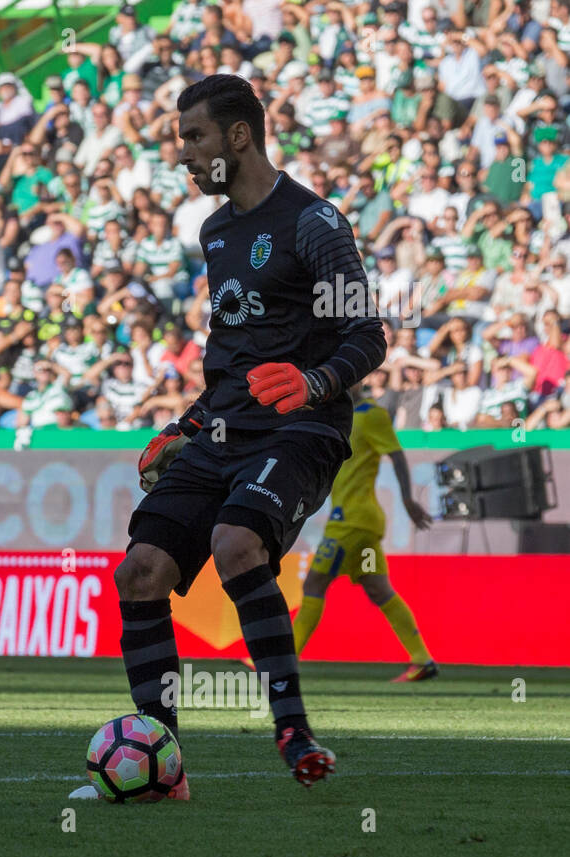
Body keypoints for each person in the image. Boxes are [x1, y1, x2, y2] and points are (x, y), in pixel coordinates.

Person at [103, 75, 387, 798]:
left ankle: (292, 730)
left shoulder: (314, 223)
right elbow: (230, 357)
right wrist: (187, 424)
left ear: (238, 137)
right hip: (225, 428)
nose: (185, 157)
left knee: (236, 543)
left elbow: (367, 335)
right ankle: (161, 763)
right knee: (140, 571)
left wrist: (316, 382)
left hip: (302, 429)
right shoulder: (217, 231)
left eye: (194, 139)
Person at [288, 385, 438, 682]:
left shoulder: (371, 415)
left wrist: (408, 500)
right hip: (361, 526)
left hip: (351, 523)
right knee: (378, 588)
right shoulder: (342, 416)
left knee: (315, 584)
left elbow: (395, 456)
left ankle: (284, 662)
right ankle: (422, 659)